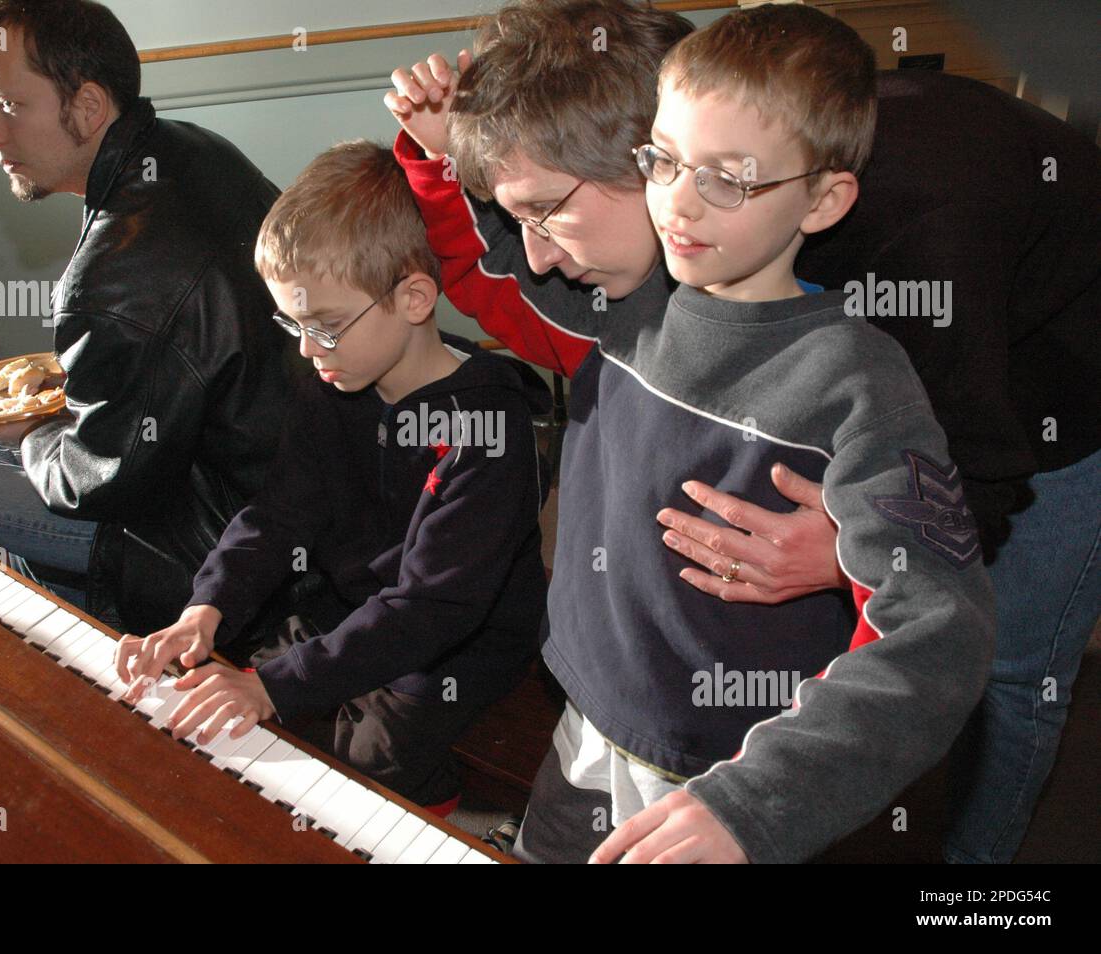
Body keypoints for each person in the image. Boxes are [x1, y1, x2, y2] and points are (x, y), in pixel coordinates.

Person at [391, 0, 1101, 864]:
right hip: (595, 737)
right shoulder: (654, 275)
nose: (682, 205)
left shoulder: (878, 336)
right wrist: (447, 159)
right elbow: (511, 274)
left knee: (1015, 668)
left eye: (725, 179)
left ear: (823, 197)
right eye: (666, 163)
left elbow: (939, 611)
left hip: (1050, 362)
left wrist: (846, 553)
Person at [112, 141, 551, 811]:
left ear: (413, 297)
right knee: (231, 673)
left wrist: (273, 687)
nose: (307, 349)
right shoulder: (335, 382)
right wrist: (209, 604)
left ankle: (451, 824)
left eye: (325, 325)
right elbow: (276, 514)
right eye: (292, 322)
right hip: (354, 605)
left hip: (459, 642)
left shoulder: (486, 429)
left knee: (377, 755)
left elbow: (432, 607)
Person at [0, 0, 289, 633]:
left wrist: (27, 436)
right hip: (275, 470)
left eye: (7, 105)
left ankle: (78, 636)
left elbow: (98, 484)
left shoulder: (113, 279)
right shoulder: (195, 146)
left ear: (86, 107)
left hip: (225, 529)